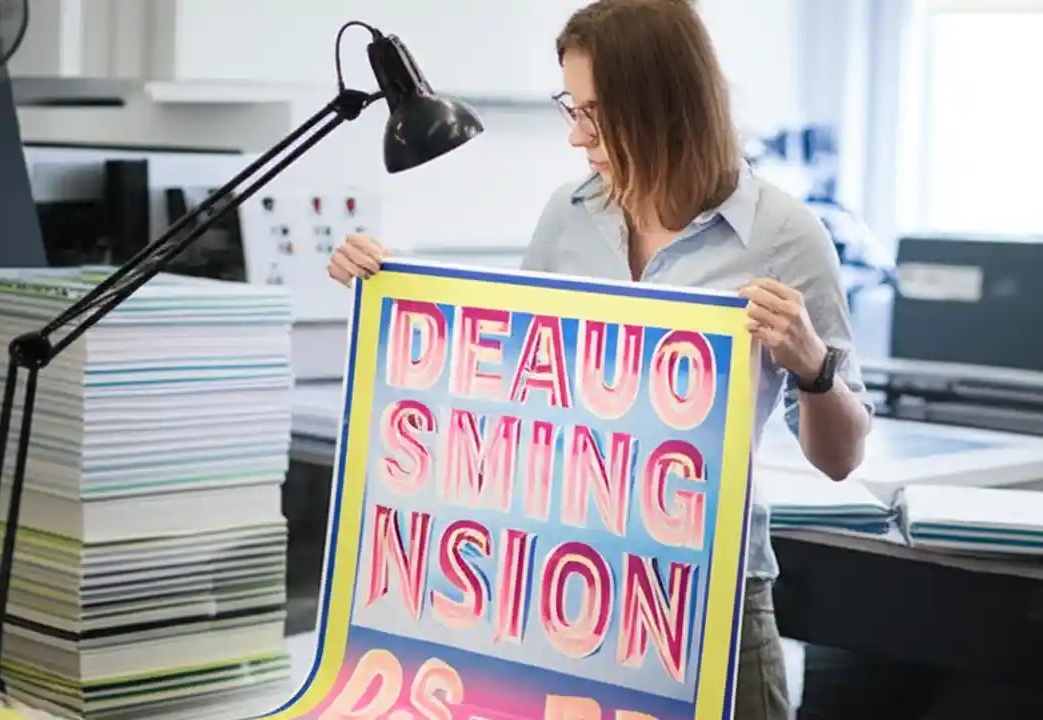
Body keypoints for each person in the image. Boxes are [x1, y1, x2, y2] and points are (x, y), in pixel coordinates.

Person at [326, 1, 873, 716]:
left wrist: (810, 360)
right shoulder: (570, 215)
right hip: (573, 599)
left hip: (715, 609)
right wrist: (394, 291)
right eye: (570, 107)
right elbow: (510, 395)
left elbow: (842, 457)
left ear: (663, 106)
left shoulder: (786, 235)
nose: (576, 136)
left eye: (594, 112)